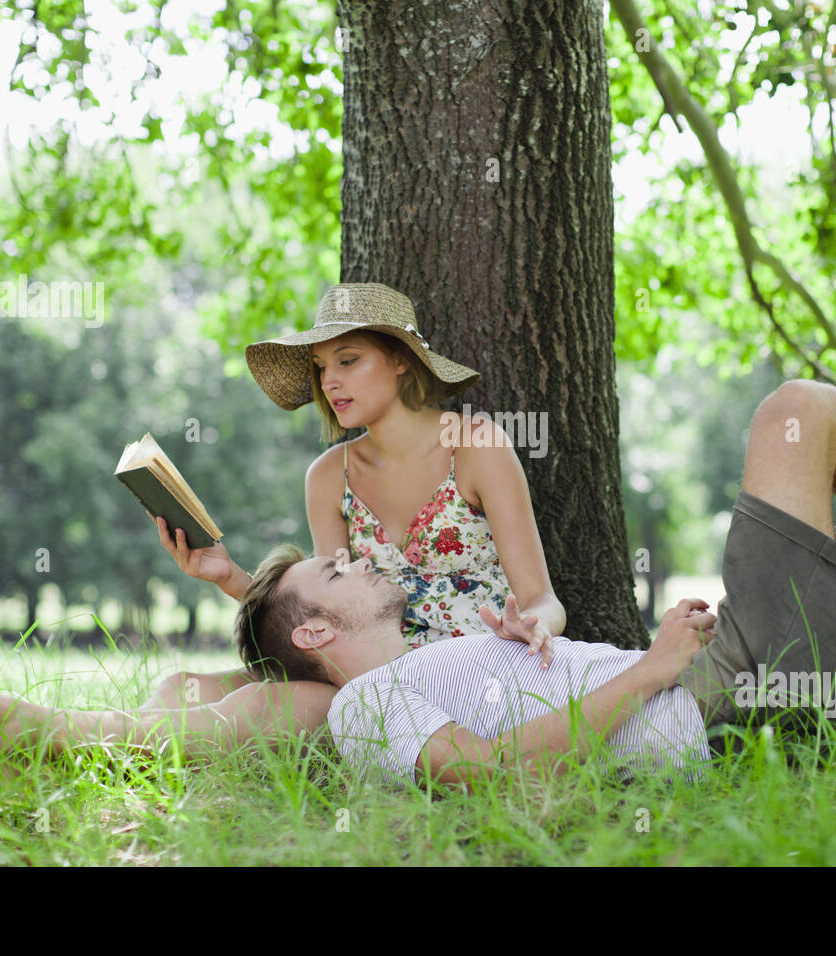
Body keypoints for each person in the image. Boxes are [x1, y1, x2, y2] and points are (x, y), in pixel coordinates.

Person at [0, 379, 836, 781]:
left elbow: (342, 610)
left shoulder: (466, 457)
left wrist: (549, 627)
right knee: (795, 415)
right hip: (719, 696)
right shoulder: (363, 690)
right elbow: (310, 625)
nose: (369, 556)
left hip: (718, 683)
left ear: (398, 368)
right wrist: (656, 664)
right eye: (353, 563)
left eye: (350, 361)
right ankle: (11, 723)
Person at [139, 281, 565, 717]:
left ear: (401, 359)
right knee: (183, 686)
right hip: (367, 675)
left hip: (470, 674)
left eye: (348, 360)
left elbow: (543, 599)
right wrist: (229, 576)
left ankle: (99, 734)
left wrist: (533, 627)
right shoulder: (329, 476)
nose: (330, 381)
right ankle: (128, 756)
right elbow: (327, 616)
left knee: (270, 703)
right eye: (321, 367)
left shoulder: (476, 445)